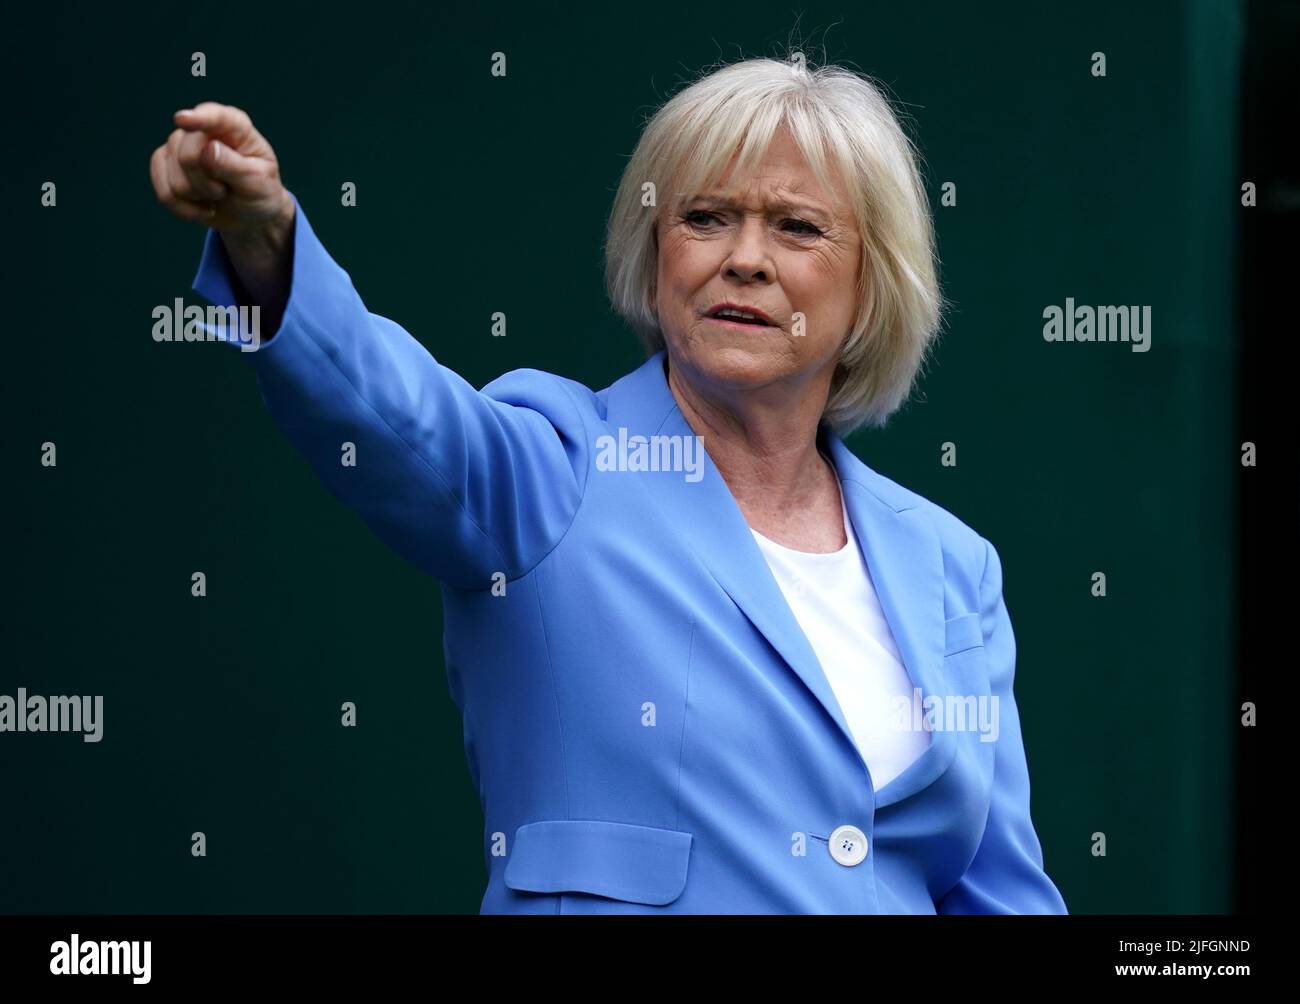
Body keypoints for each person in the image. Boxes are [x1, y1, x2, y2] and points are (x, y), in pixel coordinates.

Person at [149, 56, 1067, 914]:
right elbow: (389, 415)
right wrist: (268, 244)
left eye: (796, 226)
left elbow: (1002, 888)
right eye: (706, 218)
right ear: (655, 251)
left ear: (873, 284)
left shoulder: (951, 566)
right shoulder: (553, 469)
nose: (744, 257)